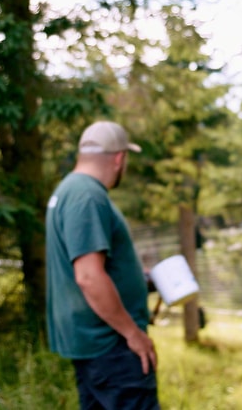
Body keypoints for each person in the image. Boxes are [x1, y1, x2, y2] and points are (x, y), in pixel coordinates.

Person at [45, 120, 159, 409]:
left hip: (95, 346)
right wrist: (134, 334)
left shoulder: (69, 190)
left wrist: (135, 276)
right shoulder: (88, 195)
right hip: (112, 346)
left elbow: (87, 267)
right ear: (120, 158)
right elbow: (88, 276)